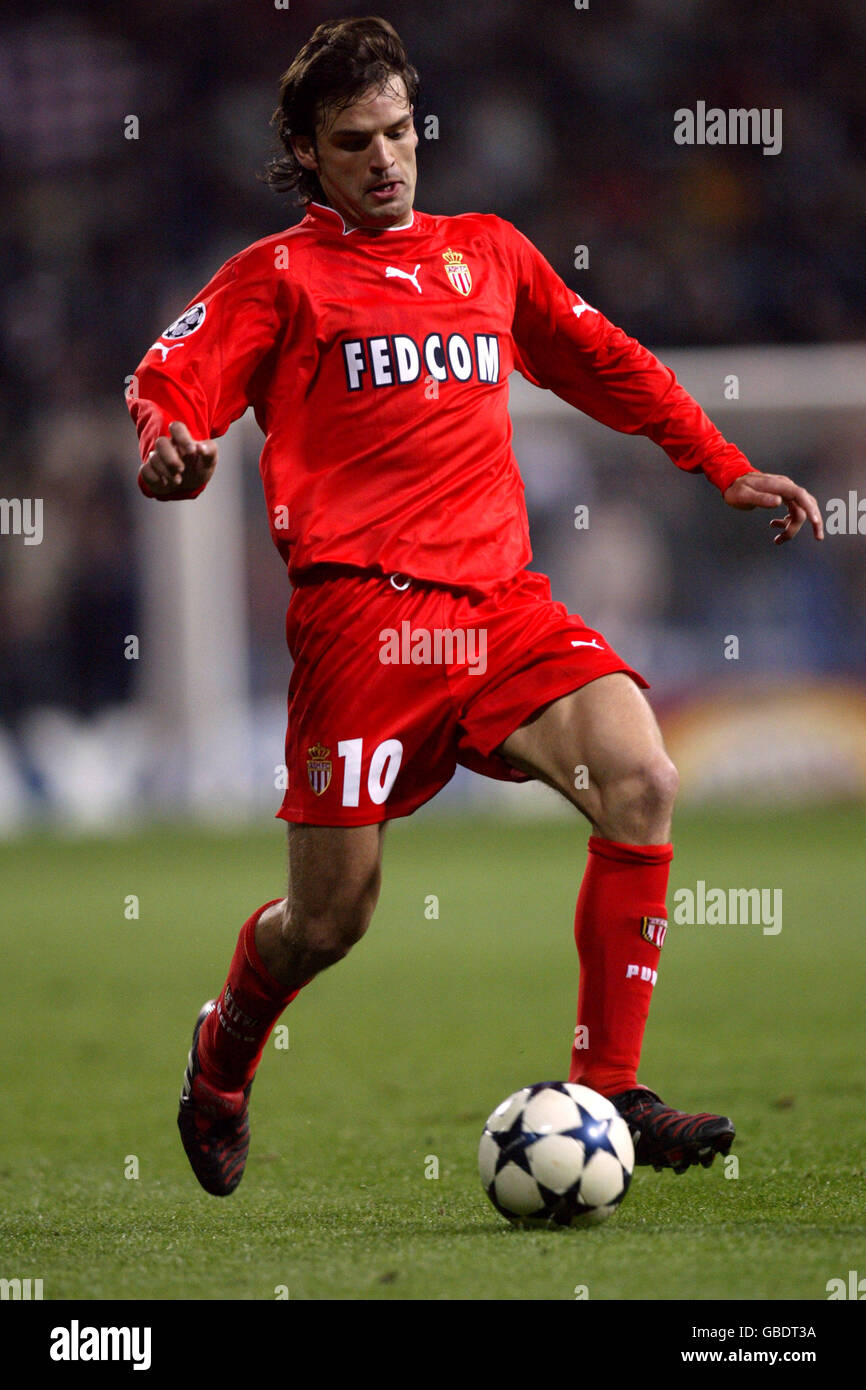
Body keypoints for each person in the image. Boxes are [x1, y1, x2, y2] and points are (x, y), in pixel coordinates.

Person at [126, 16, 823, 1197]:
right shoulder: (276, 278)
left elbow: (603, 359)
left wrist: (717, 460)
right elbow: (167, 379)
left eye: (400, 130)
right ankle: (223, 1052)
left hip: (498, 606)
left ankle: (608, 1089)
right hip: (360, 630)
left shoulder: (486, 253)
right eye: (355, 142)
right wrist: (168, 445)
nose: (387, 159)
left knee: (641, 776)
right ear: (306, 151)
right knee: (328, 920)